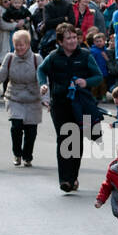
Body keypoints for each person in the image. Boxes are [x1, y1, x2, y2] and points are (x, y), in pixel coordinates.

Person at [36, 24, 103, 194]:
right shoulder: (53, 56)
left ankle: (73, 176)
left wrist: (86, 82)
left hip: (80, 103)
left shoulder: (85, 55)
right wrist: (43, 85)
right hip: (59, 103)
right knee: (64, 138)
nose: (73, 41)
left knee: (77, 139)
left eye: (75, 37)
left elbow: (99, 77)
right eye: (69, 38)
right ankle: (65, 180)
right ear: (60, 41)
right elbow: (41, 70)